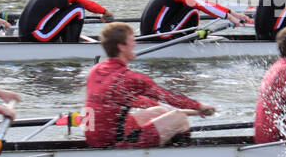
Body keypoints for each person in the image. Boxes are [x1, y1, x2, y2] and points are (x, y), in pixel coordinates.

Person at [84, 22, 217, 147]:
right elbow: (170, 97)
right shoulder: (129, 78)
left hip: (94, 137)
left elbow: (137, 101)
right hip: (114, 142)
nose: (135, 45)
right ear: (121, 47)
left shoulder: (95, 70)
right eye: (132, 40)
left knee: (161, 111)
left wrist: (192, 111)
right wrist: (200, 106)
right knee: (180, 118)